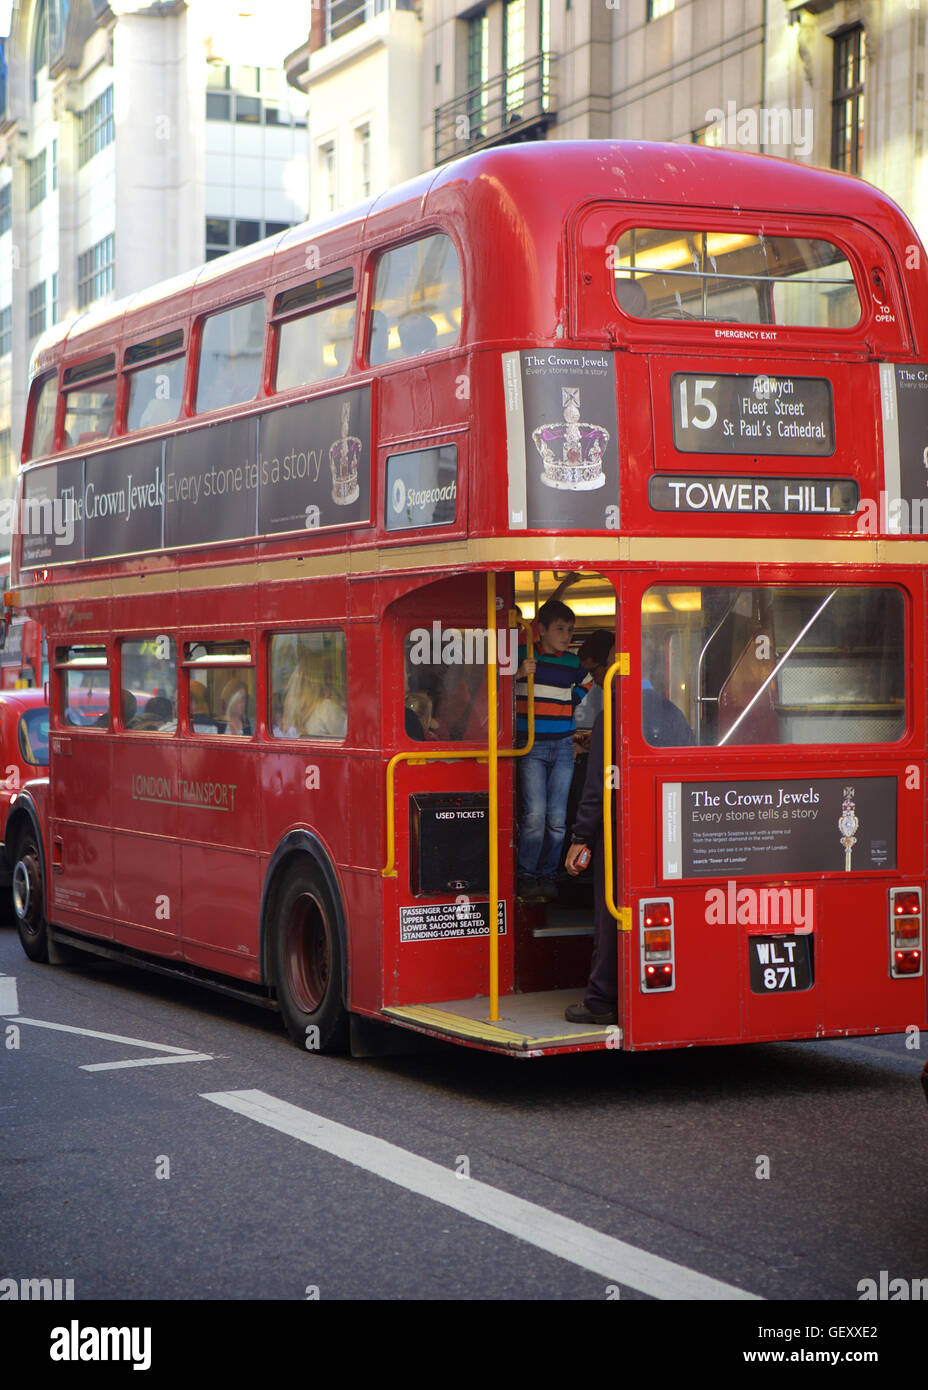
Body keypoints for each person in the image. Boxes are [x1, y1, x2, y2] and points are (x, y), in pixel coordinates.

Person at [515, 598, 586, 903]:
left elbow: (590, 680)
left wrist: (574, 699)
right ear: (540, 630)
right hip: (530, 744)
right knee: (535, 815)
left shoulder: (571, 662)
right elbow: (491, 686)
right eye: (560, 629)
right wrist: (518, 674)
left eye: (570, 630)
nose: (566, 635)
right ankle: (527, 874)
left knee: (556, 818)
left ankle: (547, 874)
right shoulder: (523, 656)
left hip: (561, 743)